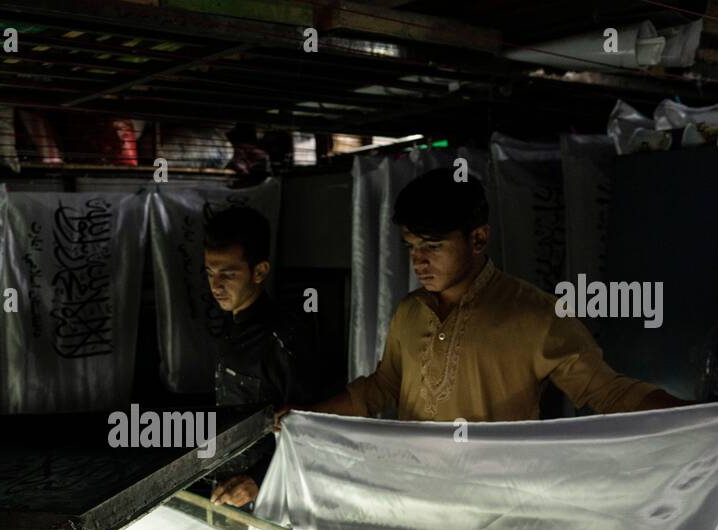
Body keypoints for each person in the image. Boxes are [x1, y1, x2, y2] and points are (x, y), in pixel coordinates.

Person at [290, 168, 688, 427]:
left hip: (495, 501)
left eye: (432, 245)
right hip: (414, 489)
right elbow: (381, 387)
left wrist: (705, 419)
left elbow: (606, 391)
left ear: (478, 238)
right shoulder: (410, 312)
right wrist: (302, 416)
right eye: (411, 247)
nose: (419, 261)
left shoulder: (535, 314)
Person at [203, 206, 335, 507]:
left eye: (228, 273)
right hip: (225, 486)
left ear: (260, 271)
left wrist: (258, 479)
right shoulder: (229, 326)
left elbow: (311, 426)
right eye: (210, 272)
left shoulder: (284, 339)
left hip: (273, 497)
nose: (216, 285)